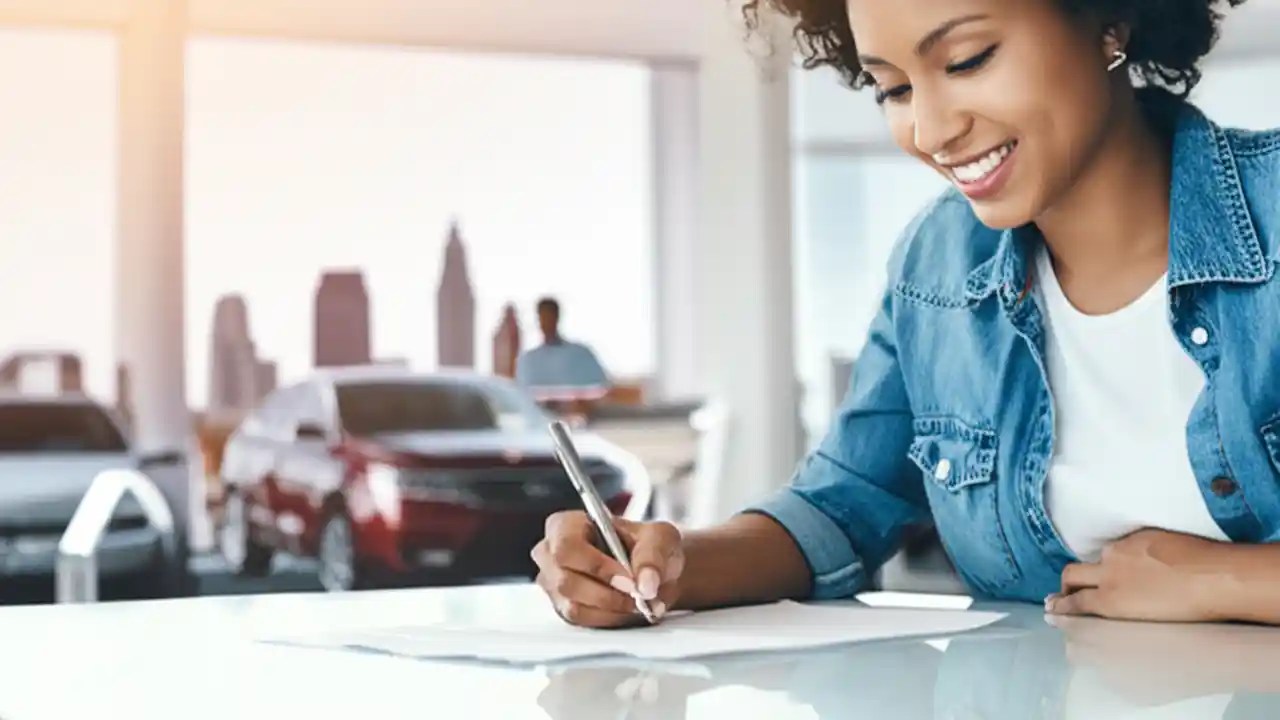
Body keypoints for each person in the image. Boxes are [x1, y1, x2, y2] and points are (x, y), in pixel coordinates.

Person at [533, 0, 1280, 628]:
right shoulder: (938, 264)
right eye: (891, 88)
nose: (930, 131)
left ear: (1108, 20)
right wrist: (665, 566)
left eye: (966, 60)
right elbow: (839, 508)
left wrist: (1226, 582)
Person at [516, 297, 610, 416]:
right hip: (539, 423)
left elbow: (602, 389)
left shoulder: (580, 354)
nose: (546, 322)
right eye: (543, 317)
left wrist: (577, 402)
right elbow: (522, 395)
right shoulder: (528, 360)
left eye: (550, 317)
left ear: (557, 317)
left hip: (581, 421)